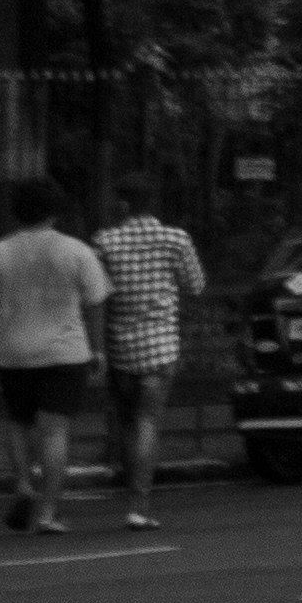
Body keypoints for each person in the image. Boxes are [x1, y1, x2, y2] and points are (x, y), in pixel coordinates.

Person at [0, 180, 109, 540]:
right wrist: (97, 349)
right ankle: (47, 512)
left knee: (18, 422)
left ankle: (24, 484)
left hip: (12, 351)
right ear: (55, 211)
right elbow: (95, 304)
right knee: (55, 429)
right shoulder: (77, 251)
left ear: (16, 212)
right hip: (65, 353)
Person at [88, 182, 208, 531]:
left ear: (123, 204)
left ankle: (131, 496)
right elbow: (196, 285)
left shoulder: (104, 242)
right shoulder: (176, 239)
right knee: (148, 421)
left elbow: (97, 294)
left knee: (127, 423)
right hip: (160, 347)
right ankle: (139, 506)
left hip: (120, 347)